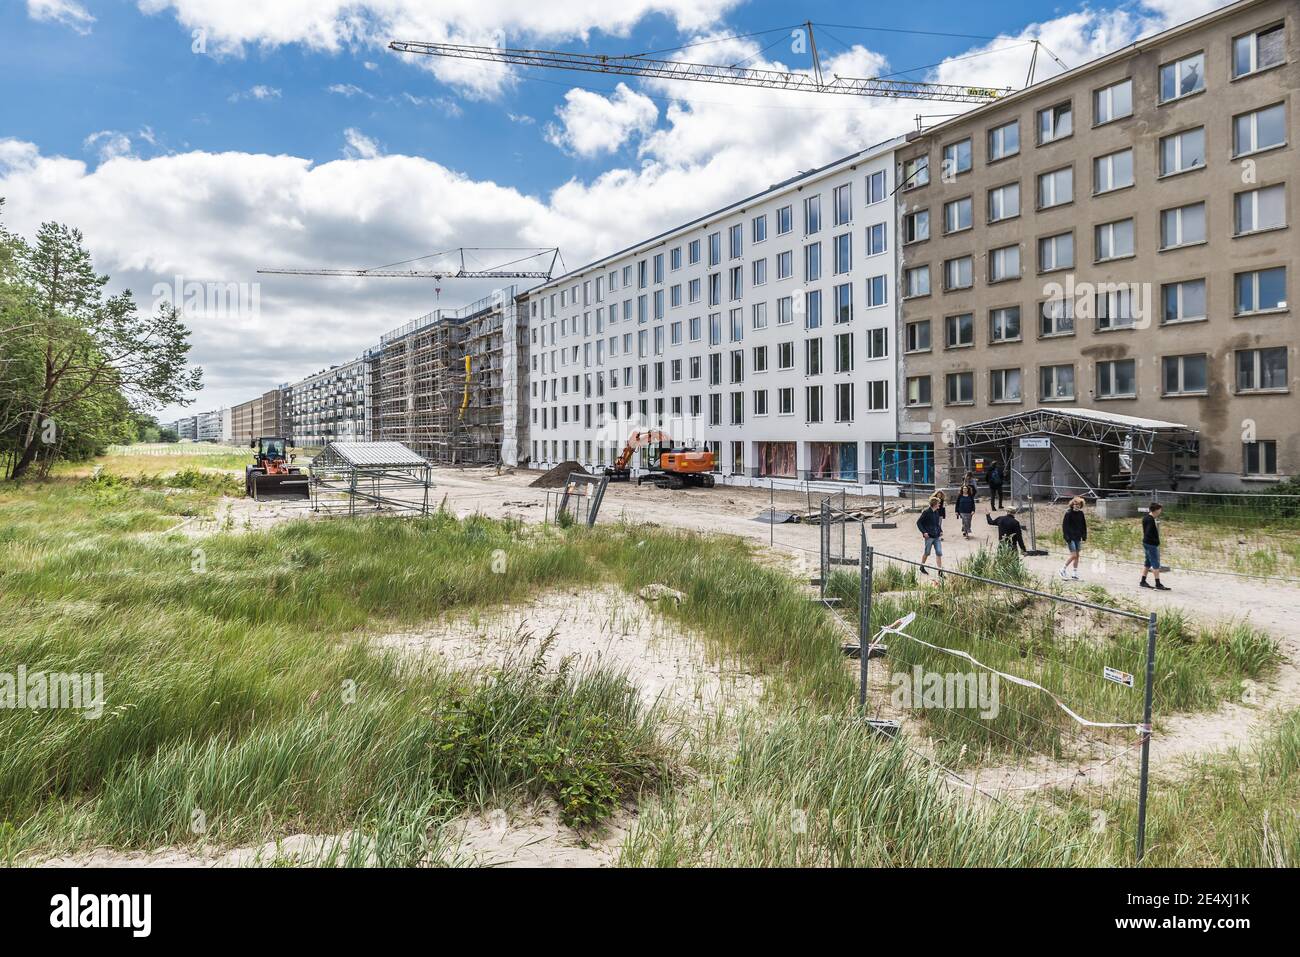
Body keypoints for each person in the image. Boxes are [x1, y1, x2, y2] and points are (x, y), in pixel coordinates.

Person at [1140, 502, 1169, 590]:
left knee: (1147, 562)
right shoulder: (1150, 520)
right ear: (1156, 510)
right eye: (1160, 509)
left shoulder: (1146, 517)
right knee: (1155, 564)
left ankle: (1143, 581)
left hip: (1146, 543)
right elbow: (1148, 533)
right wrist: (1155, 541)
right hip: (1150, 544)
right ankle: (1158, 584)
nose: (1161, 511)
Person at [916, 495, 945, 577]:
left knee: (939, 552)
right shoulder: (926, 512)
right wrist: (924, 532)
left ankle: (940, 571)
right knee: (927, 553)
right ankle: (922, 566)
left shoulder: (936, 512)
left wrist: (940, 530)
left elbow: (937, 524)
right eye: (938, 503)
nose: (939, 505)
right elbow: (918, 523)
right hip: (929, 537)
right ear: (935, 504)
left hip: (936, 536)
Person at [1060, 496, 1087, 580]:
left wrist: (1084, 535)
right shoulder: (1068, 513)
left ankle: (1074, 573)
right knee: (1073, 555)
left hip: (1078, 537)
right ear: (1072, 504)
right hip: (1070, 538)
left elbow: (1083, 525)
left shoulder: (1081, 514)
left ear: (1081, 505)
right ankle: (1062, 569)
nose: (1076, 505)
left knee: (1077, 555)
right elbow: (1064, 526)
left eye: (1078, 504)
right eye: (1075, 504)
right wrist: (1066, 537)